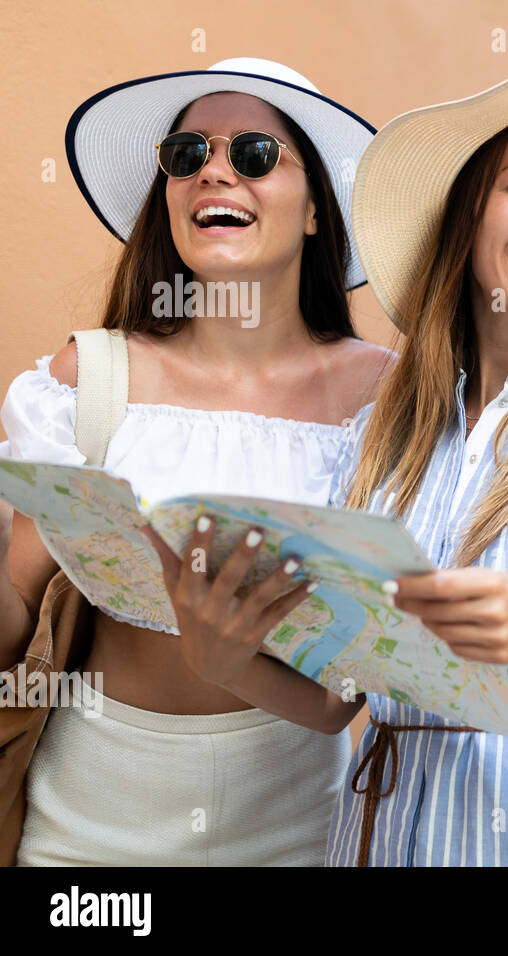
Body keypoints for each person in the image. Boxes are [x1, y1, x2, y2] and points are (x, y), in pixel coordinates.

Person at [151, 56, 508, 867]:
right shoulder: (385, 427)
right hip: (378, 835)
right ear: (469, 216)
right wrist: (224, 659)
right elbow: (332, 698)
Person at [0, 58, 392, 866]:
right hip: (88, 819)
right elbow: (16, 608)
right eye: (186, 154)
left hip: (301, 818)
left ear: (317, 209)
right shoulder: (88, 378)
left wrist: (234, 660)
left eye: (253, 153)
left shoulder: (383, 400)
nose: (213, 168)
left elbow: (343, 696)